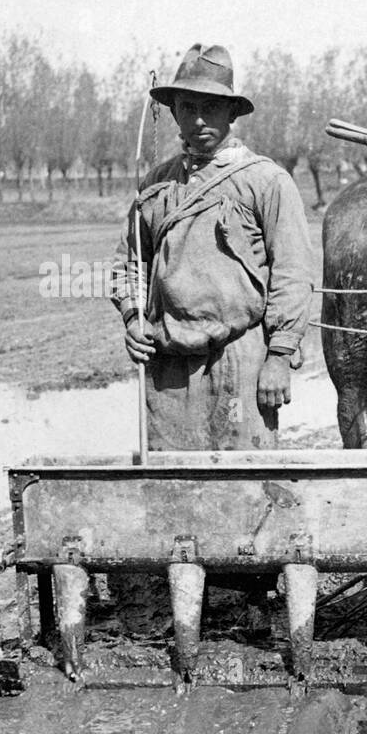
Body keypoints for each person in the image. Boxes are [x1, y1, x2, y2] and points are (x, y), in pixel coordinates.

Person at [111, 43, 312, 450]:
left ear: (232, 113)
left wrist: (279, 356)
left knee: (247, 487)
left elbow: (293, 271)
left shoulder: (266, 181)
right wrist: (134, 321)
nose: (199, 120)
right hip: (166, 366)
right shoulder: (156, 185)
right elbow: (127, 265)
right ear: (173, 112)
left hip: (240, 360)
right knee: (171, 487)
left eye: (212, 108)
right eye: (187, 108)